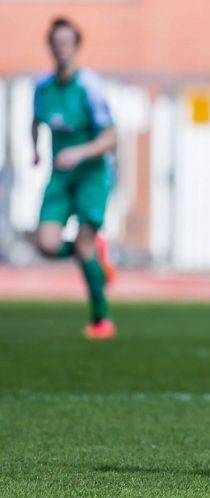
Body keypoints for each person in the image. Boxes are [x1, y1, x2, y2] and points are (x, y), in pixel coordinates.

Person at [32, 17, 118, 340]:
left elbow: (111, 138)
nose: (61, 48)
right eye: (56, 42)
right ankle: (97, 260)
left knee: (83, 246)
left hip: (91, 175)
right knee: (46, 244)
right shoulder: (42, 87)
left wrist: (79, 153)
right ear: (50, 46)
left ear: (76, 47)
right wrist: (35, 150)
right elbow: (35, 120)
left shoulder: (89, 87)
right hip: (60, 178)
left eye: (67, 42)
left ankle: (101, 320)